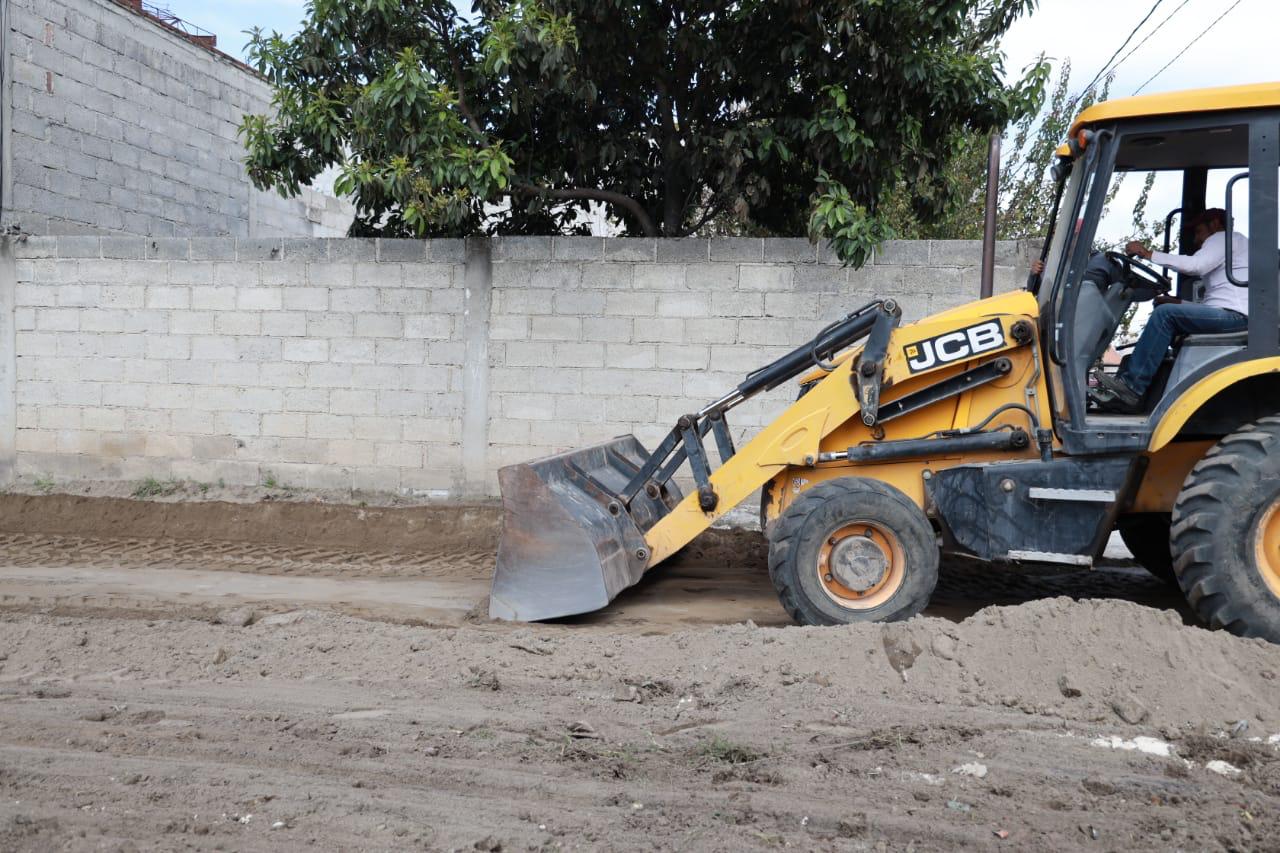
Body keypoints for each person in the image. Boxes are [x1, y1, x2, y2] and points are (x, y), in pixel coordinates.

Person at [1091, 208, 1249, 412]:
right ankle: (1134, 389)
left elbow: (1196, 265)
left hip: (1236, 317)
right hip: (1232, 316)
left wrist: (1148, 253)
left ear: (1216, 224)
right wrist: (1178, 303)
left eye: (1199, 232)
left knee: (1165, 315)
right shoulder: (1234, 246)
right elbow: (1215, 306)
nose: (1197, 240)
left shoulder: (1223, 238)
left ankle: (1131, 387)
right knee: (1168, 310)